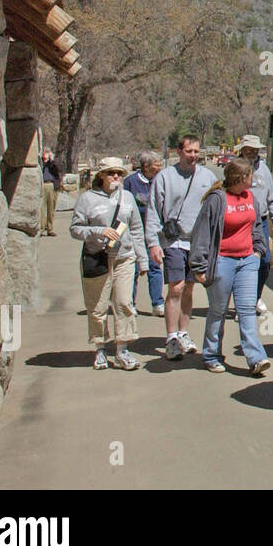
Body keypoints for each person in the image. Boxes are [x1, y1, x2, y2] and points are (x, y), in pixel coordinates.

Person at [187, 158, 271, 375]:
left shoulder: (251, 197)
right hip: (222, 261)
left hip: (247, 262)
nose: (254, 179)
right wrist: (199, 267)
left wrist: (258, 250)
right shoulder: (217, 199)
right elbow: (202, 232)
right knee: (218, 310)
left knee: (246, 310)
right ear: (241, 178)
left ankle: (255, 358)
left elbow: (257, 225)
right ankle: (211, 354)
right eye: (251, 175)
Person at [71, 157, 147, 370]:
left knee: (124, 302)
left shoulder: (128, 197)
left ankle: (123, 348)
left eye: (120, 173)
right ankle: (100, 348)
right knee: (98, 306)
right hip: (98, 257)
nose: (116, 177)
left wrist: (143, 260)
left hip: (124, 257)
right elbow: (75, 229)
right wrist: (97, 231)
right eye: (112, 173)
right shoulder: (87, 199)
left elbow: (136, 229)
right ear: (101, 175)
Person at [145, 135, 213, 361]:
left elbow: (216, 207)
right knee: (176, 287)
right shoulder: (165, 177)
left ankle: (184, 333)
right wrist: (153, 243)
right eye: (189, 151)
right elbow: (153, 211)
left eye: (196, 151)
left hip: (197, 242)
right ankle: (171, 338)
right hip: (173, 240)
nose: (193, 156)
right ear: (179, 152)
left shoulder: (207, 177)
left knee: (190, 288)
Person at [235, 135, 273, 316]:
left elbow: (271, 194)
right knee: (242, 263)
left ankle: (255, 297)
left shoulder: (264, 170)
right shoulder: (236, 168)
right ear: (242, 150)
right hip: (239, 221)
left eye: (255, 150)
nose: (253, 153)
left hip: (260, 221)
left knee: (265, 260)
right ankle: (242, 305)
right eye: (249, 149)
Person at [123, 151, 165, 316]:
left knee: (155, 267)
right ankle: (130, 303)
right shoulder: (130, 183)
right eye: (156, 165)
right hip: (133, 234)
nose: (160, 168)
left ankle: (157, 303)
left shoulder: (160, 181)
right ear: (146, 166)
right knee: (133, 270)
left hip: (153, 233)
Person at [40, 148, 62, 236]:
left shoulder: (54, 162)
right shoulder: (40, 162)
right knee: (41, 208)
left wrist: (51, 160)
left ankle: (50, 228)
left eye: (48, 152)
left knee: (51, 208)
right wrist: (44, 161)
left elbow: (59, 168)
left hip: (52, 185)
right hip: (42, 185)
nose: (46, 154)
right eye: (45, 152)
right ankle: (41, 228)